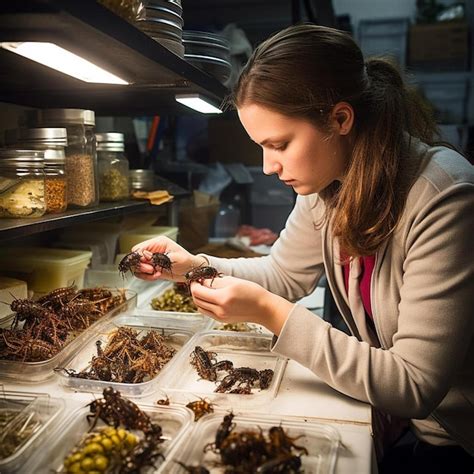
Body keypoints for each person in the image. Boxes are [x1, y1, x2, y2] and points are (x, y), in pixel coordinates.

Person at [133, 24, 474, 473]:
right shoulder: (329, 184)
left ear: (340, 119)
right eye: (261, 147)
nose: (268, 167)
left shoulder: (445, 195)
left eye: (279, 145)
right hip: (413, 424)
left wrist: (271, 313)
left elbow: (414, 383)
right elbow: (284, 275)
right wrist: (192, 266)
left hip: (459, 440)